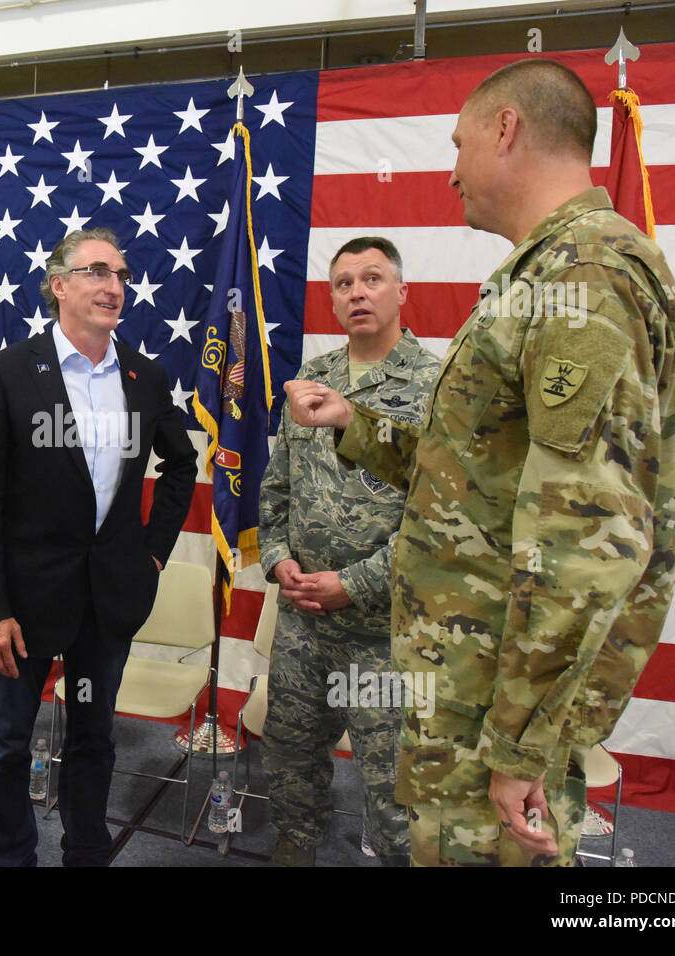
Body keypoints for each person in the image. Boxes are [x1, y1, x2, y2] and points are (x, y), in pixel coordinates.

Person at [284, 59, 675, 866]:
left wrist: (517, 744)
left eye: (460, 144)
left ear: (507, 130)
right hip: (465, 690)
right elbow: (474, 474)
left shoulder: (584, 276)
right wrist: (357, 426)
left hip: (493, 718)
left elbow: (586, 544)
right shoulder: (539, 276)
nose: (451, 171)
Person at [0, 227, 197, 866]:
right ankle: (12, 858)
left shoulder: (146, 378)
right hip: (23, 607)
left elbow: (182, 467)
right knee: (9, 745)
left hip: (107, 600)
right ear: (58, 286)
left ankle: (86, 853)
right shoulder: (8, 374)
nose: (113, 285)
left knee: (93, 739)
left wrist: (151, 554)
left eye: (120, 273)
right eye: (96, 271)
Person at [257, 237, 438, 867]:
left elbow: (440, 520)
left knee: (393, 788)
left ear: (401, 292)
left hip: (383, 632)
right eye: (343, 283)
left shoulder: (436, 387)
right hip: (304, 620)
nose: (357, 292)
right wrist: (277, 555)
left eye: (372, 278)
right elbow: (277, 484)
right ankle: (296, 844)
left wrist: (355, 584)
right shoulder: (313, 381)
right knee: (288, 754)